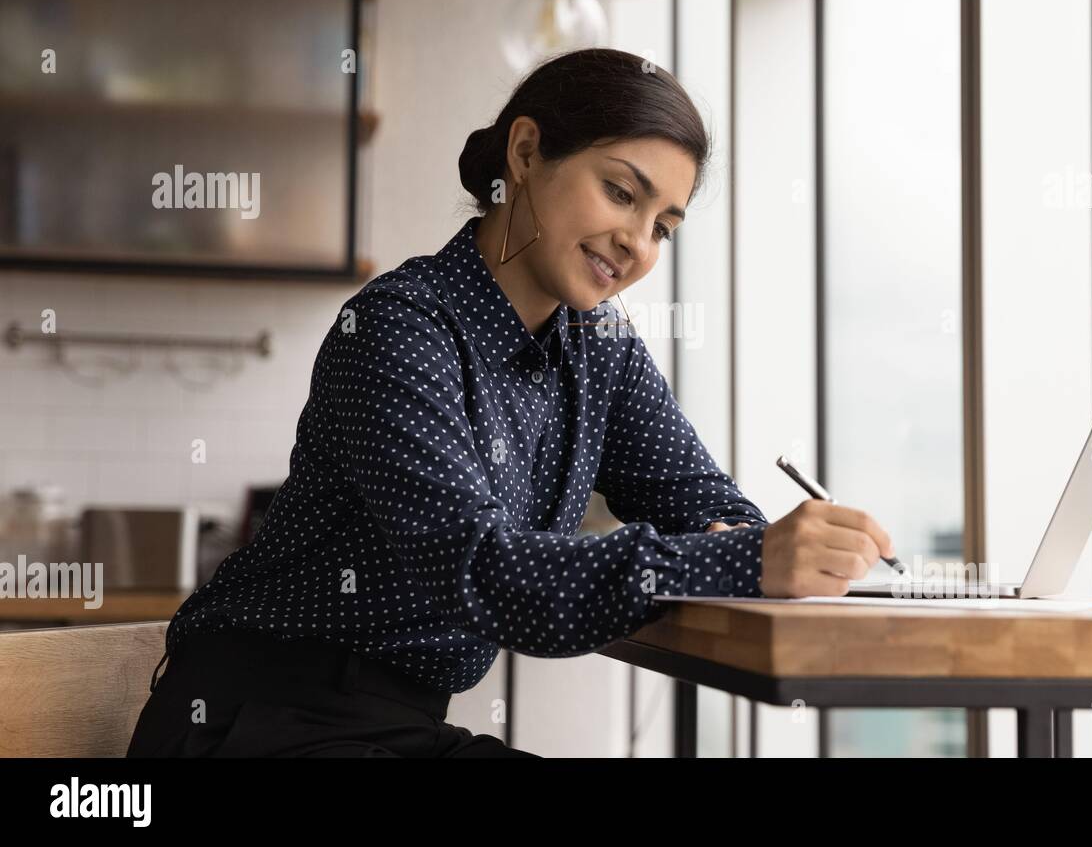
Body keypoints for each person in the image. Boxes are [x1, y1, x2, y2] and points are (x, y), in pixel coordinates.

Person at [127, 47, 894, 758]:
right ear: (525, 154)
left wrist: (755, 543)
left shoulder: (599, 346)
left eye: (663, 226)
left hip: (399, 726)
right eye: (620, 193)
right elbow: (482, 570)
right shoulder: (397, 327)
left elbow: (698, 499)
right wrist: (743, 557)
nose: (637, 243)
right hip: (253, 722)